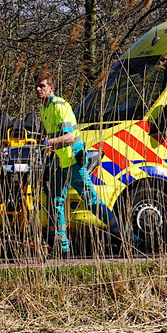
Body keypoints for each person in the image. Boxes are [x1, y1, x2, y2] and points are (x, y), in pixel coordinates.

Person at [35, 71, 131, 253]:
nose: (39, 90)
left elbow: (70, 137)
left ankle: (127, 237)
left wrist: (49, 143)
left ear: (51, 88)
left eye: (43, 86)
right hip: (61, 162)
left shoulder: (59, 107)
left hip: (73, 161)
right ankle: (62, 247)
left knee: (92, 202)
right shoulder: (46, 109)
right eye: (37, 87)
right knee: (55, 202)